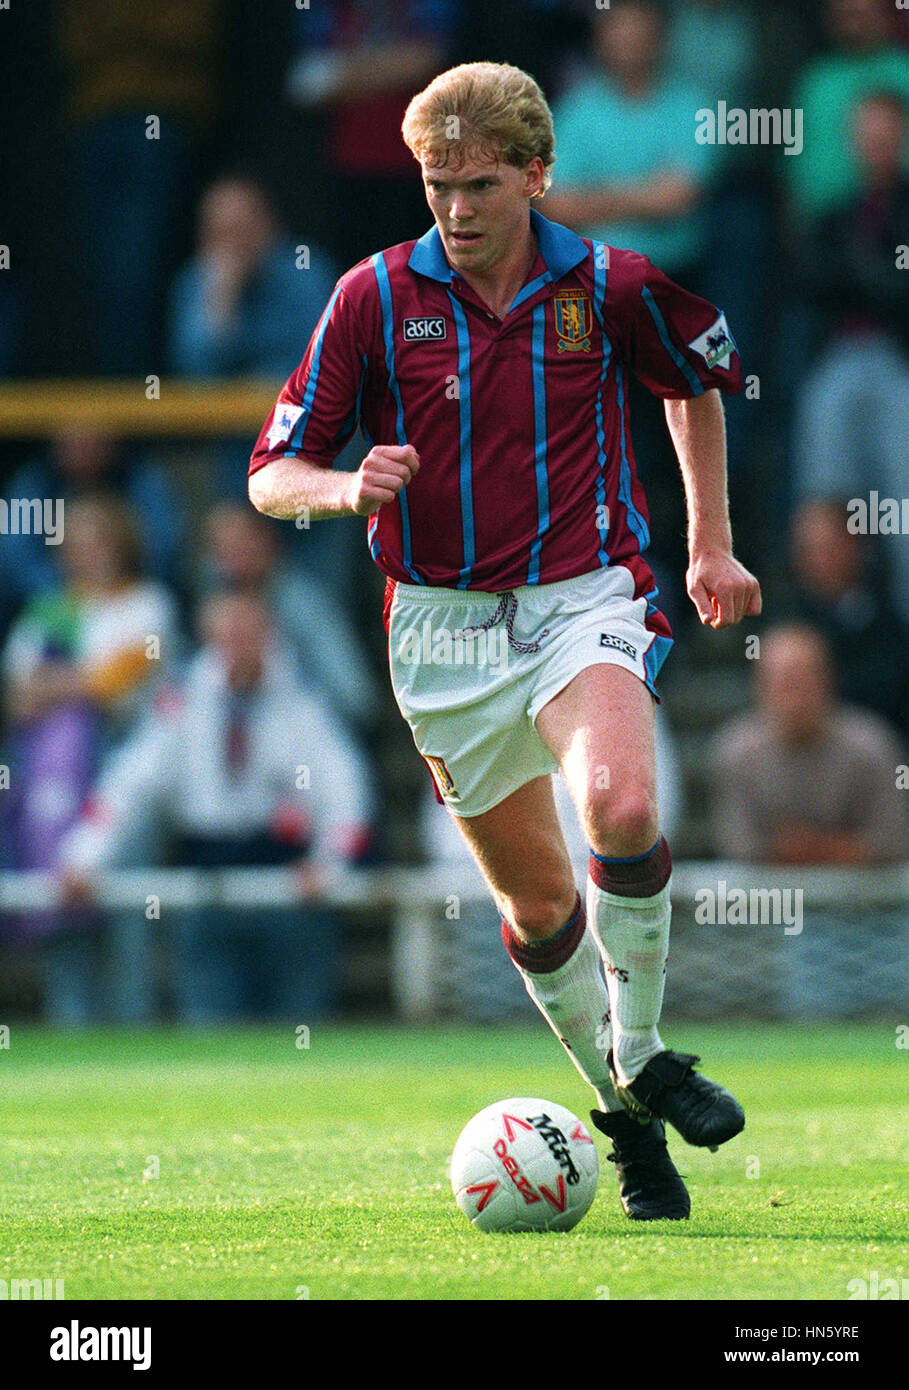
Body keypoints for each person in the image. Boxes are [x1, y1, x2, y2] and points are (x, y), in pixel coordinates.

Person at [248, 62, 762, 1222]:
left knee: (621, 808)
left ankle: (646, 1050)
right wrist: (343, 488)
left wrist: (710, 545)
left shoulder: (610, 284)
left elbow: (695, 380)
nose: (455, 209)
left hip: (583, 597)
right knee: (538, 910)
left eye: (479, 184)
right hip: (441, 633)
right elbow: (272, 472)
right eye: (437, 186)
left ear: (537, 174)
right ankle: (627, 1119)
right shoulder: (375, 296)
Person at [58, 591, 375, 1023]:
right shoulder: (182, 702)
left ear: (269, 635)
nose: (237, 646)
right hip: (204, 881)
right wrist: (84, 857)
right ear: (209, 637)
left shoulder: (303, 703)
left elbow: (345, 792)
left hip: (288, 886)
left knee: (301, 1033)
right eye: (226, 636)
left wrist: (329, 865)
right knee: (210, 1032)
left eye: (248, 634)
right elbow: (130, 785)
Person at [709, 623, 908, 866]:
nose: (796, 700)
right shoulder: (735, 753)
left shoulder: (873, 747)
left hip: (865, 890)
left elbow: (893, 844)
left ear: (828, 681)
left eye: (804, 682)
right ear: (760, 687)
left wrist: (807, 848)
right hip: (768, 890)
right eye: (785, 684)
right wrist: (840, 848)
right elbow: (739, 849)